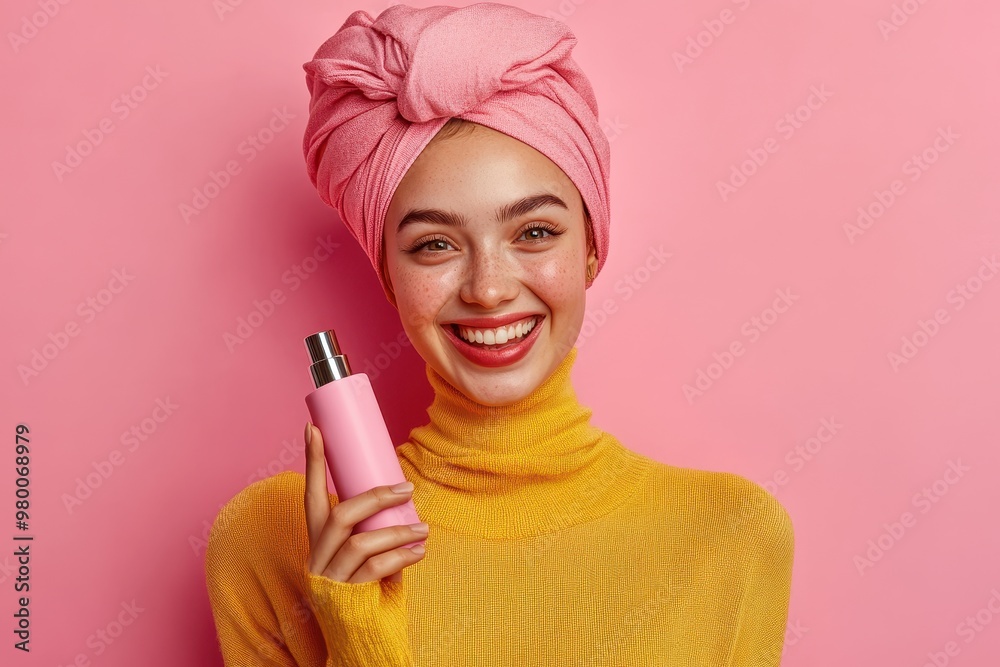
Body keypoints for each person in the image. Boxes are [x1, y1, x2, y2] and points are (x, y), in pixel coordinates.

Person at [204, 3, 794, 666]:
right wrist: (356, 631)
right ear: (391, 278)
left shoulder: (731, 536)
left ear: (592, 251)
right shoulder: (271, 538)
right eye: (434, 244)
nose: (488, 288)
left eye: (534, 232)